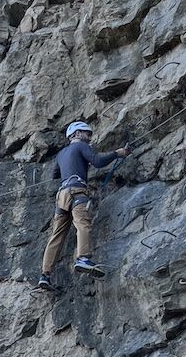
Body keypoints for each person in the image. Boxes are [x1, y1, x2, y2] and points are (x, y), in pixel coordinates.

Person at [37, 121, 131, 290]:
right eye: (87, 133)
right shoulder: (81, 146)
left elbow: (54, 175)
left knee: (57, 235)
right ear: (77, 134)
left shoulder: (61, 153)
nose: (89, 137)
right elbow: (97, 161)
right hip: (77, 191)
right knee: (83, 223)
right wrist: (117, 153)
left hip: (62, 195)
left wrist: (72, 167)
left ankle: (45, 275)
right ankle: (83, 258)